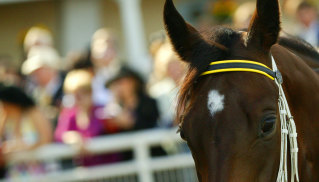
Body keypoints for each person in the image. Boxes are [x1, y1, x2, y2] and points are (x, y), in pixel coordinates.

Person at [55, 69, 120, 167]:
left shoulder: (102, 111)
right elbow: (59, 134)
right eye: (74, 95)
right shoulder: (70, 115)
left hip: (109, 170)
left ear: (91, 92)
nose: (79, 98)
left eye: (83, 92)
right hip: (87, 173)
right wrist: (70, 137)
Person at [0, 84, 52, 178]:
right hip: (15, 171)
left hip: (38, 168)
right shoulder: (7, 117)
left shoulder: (34, 113)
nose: (3, 107)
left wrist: (23, 148)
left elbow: (46, 138)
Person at [106, 67, 159, 131]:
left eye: (122, 83)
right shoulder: (114, 107)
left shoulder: (149, 104)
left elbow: (150, 125)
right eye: (117, 84)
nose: (120, 87)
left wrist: (131, 122)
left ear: (134, 83)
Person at [21, 46, 64, 124]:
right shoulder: (35, 92)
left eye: (38, 71)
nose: (34, 75)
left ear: (50, 68)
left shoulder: (66, 89)